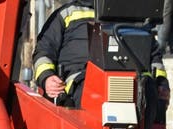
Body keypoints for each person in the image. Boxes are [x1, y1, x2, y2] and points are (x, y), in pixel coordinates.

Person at [33, 0, 169, 113]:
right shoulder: (66, 14)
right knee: (91, 93)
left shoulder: (131, 13)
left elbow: (152, 54)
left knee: (150, 92)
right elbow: (43, 51)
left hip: (133, 80)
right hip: (81, 81)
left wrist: (161, 82)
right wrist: (47, 77)